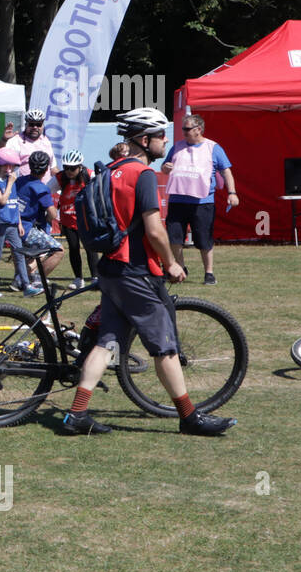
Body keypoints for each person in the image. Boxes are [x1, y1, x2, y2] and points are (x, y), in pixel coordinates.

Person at [58, 107, 237, 437]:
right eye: (160, 136)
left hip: (110, 268)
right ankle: (189, 417)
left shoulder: (110, 170)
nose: (166, 141)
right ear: (144, 139)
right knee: (164, 346)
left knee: (106, 342)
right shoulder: (141, 175)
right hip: (136, 272)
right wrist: (170, 262)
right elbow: (154, 230)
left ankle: (76, 415)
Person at [162, 114, 238, 285]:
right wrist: (165, 168)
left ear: (198, 130)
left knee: (204, 240)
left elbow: (226, 171)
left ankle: (209, 273)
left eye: (187, 129)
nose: (184, 132)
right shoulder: (177, 147)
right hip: (177, 199)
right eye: (183, 128)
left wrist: (232, 192)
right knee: (174, 238)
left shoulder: (213, 148)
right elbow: (166, 168)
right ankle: (181, 268)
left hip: (202, 202)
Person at [0, 148, 35, 295]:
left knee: (19, 254)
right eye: (6, 165)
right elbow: (2, 200)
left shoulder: (11, 180)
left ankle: (27, 286)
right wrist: (10, 183)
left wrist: (19, 223)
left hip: (12, 222)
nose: (10, 169)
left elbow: (14, 204)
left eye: (12, 166)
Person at [16, 150, 64, 284]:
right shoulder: (41, 188)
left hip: (14, 227)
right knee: (58, 250)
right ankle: (36, 279)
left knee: (37, 253)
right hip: (26, 229)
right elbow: (53, 214)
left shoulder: (19, 181)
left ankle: (21, 279)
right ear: (46, 169)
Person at [57, 150, 98, 288]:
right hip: (68, 220)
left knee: (90, 248)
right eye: (66, 167)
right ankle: (78, 279)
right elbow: (45, 191)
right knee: (73, 248)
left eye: (72, 168)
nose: (68, 171)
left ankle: (95, 277)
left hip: (86, 219)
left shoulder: (90, 175)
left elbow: (102, 191)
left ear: (80, 166)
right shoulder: (61, 178)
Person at [5, 109, 57, 180]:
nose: (35, 127)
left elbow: (53, 167)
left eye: (38, 124)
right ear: (26, 124)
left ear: (43, 126)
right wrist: (3, 140)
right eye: (31, 124)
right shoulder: (15, 141)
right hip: (23, 188)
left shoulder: (46, 140)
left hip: (44, 188)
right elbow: (2, 163)